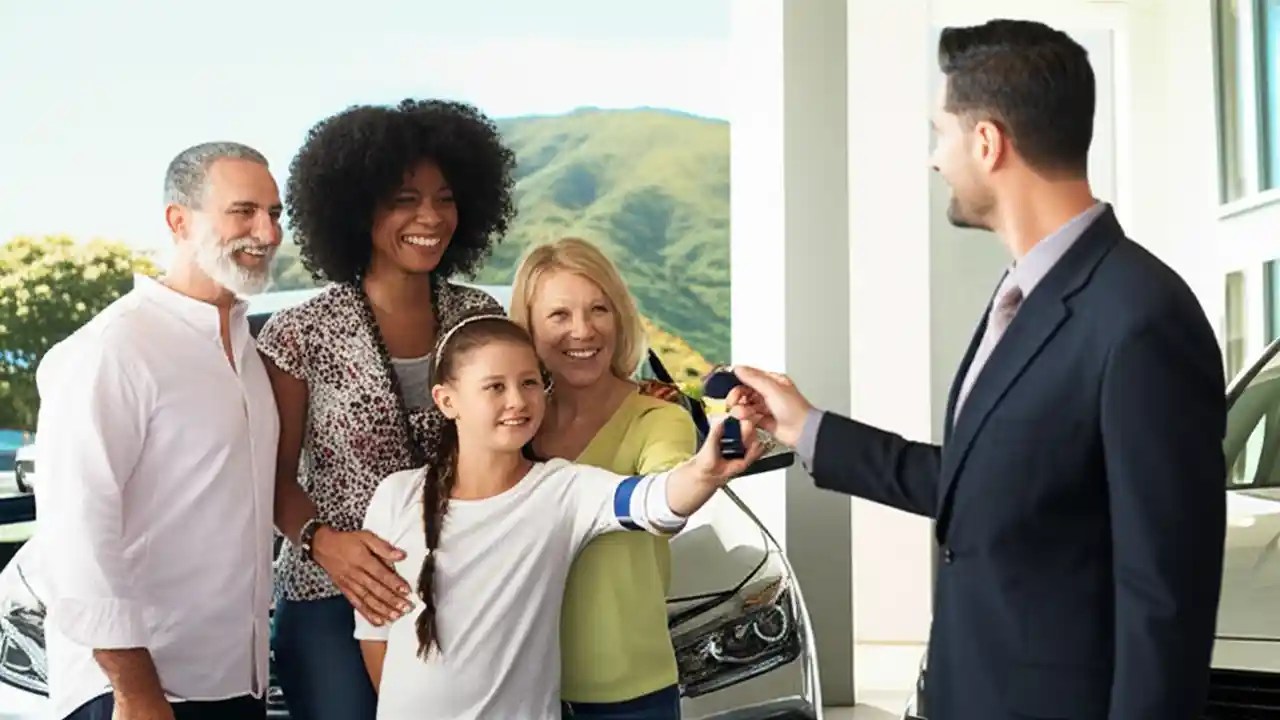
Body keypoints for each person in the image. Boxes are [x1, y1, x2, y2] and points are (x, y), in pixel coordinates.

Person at [727, 19, 1227, 720]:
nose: (935, 160)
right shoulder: (1019, 297)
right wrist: (807, 427)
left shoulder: (1142, 319)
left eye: (941, 133)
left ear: (988, 142)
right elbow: (981, 486)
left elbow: (1166, 597)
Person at [355, 313, 763, 720]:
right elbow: (376, 634)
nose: (517, 400)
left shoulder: (562, 490)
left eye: (530, 382)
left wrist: (706, 471)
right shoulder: (396, 496)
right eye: (495, 387)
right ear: (447, 401)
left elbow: (652, 501)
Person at [256, 98, 516, 720]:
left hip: (464, 587)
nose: (431, 216)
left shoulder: (478, 316)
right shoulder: (301, 333)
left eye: (446, 197)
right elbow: (271, 476)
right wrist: (326, 544)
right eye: (404, 198)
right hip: (332, 593)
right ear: (355, 206)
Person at [35, 141, 284, 720]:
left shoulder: (248, 354)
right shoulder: (111, 349)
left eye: (275, 214)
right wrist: (136, 691)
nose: (267, 232)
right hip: (135, 693)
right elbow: (76, 534)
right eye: (243, 211)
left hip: (233, 685)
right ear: (179, 221)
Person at [510, 237, 696, 718]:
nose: (583, 331)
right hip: (515, 689)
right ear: (526, 328)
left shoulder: (656, 419)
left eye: (599, 309)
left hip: (629, 696)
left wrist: (706, 472)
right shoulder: (510, 425)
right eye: (559, 315)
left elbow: (665, 500)